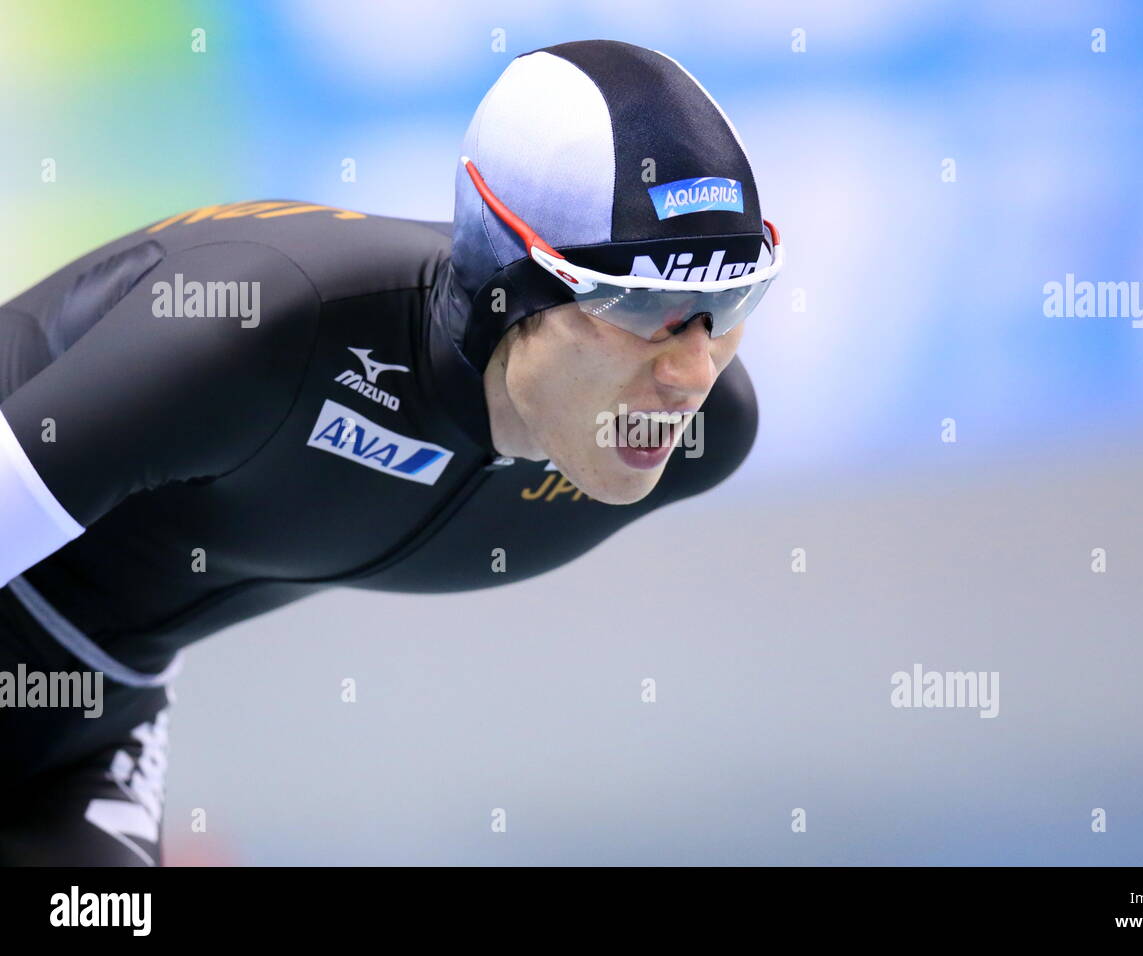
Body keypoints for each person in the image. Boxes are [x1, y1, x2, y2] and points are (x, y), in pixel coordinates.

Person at [0, 39, 782, 865]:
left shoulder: (705, 438)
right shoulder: (261, 327)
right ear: (510, 289)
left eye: (733, 300)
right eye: (646, 303)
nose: (693, 371)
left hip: (91, 715)